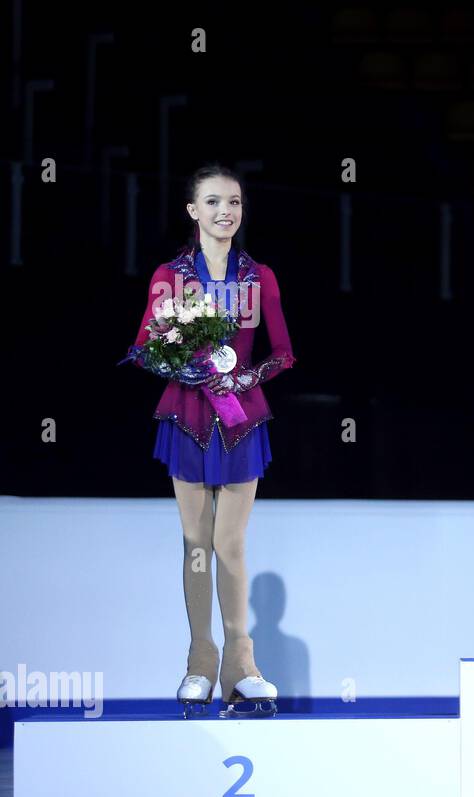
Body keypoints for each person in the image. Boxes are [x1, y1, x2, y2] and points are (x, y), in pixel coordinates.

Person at [125, 164, 296, 716]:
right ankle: (201, 662)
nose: (227, 211)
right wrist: (191, 368)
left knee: (232, 543)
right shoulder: (168, 277)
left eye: (236, 202)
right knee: (196, 545)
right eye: (215, 202)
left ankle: (241, 665)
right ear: (193, 211)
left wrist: (243, 377)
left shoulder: (259, 276)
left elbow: (283, 352)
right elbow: (146, 347)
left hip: (242, 419)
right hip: (187, 416)